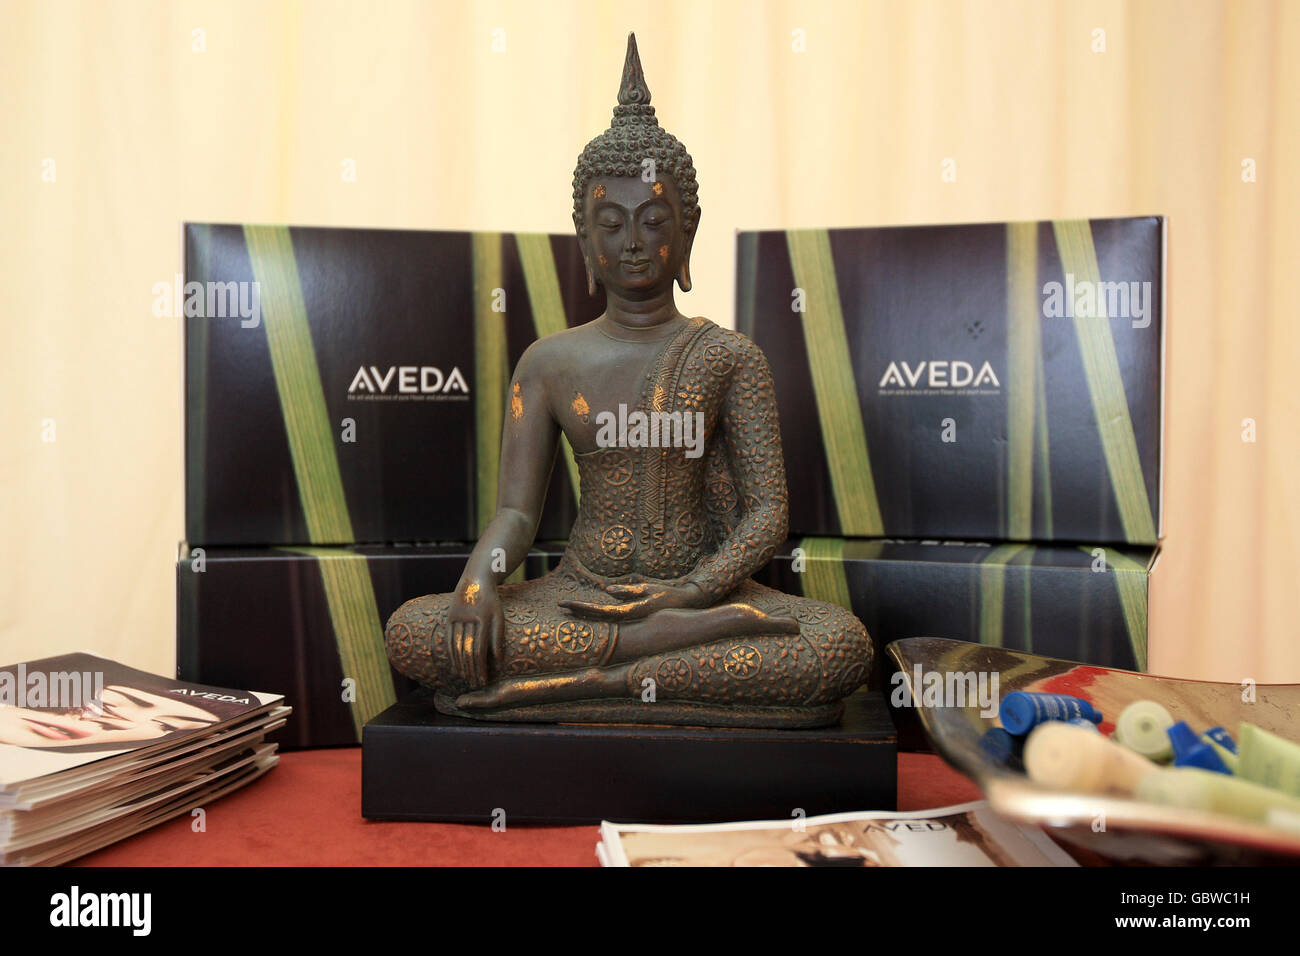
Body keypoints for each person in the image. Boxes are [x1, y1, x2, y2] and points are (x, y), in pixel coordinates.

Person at [385, 35, 872, 728]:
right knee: (416, 630)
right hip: (578, 595)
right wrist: (478, 579)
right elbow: (517, 515)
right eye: (610, 224)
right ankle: (639, 662)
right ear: (584, 239)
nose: (633, 242)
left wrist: (691, 594)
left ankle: (572, 683)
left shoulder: (730, 356)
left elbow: (768, 514)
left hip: (706, 598)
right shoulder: (548, 363)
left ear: (689, 229)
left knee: (837, 646)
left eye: (654, 220)